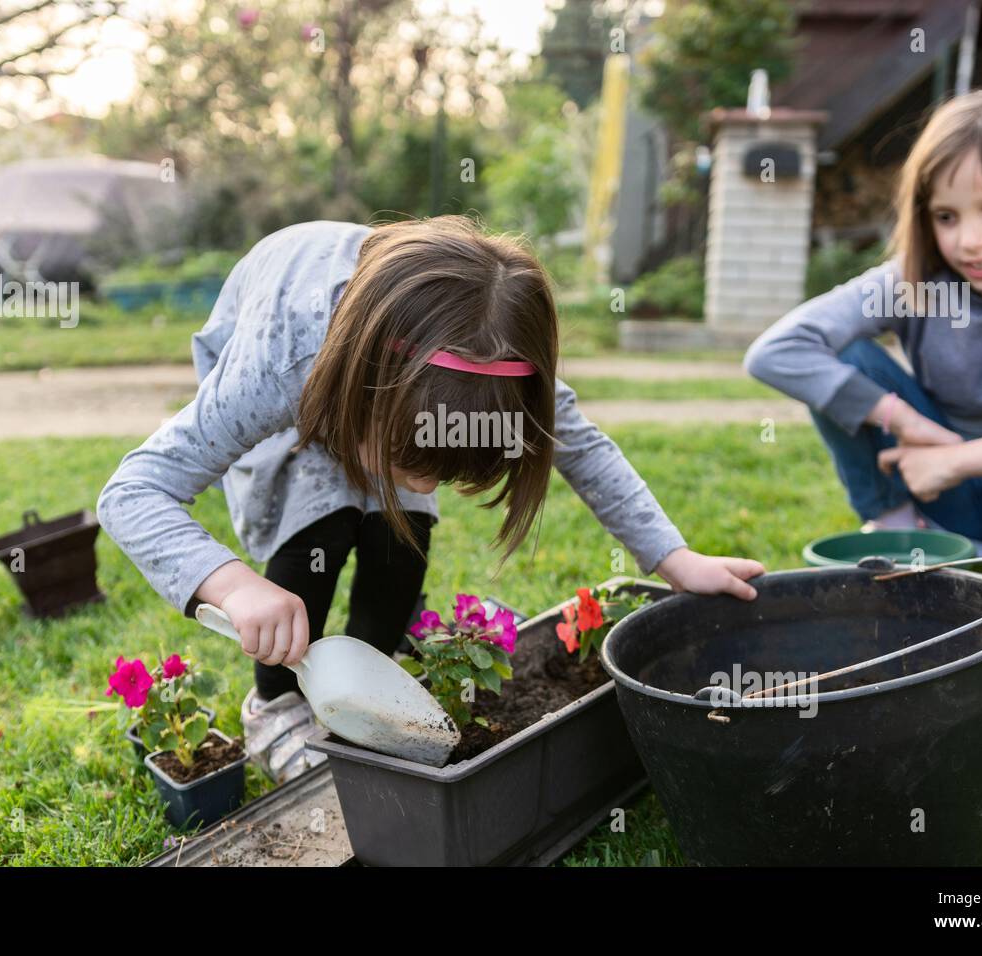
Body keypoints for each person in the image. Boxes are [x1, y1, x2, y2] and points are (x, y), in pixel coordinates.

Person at [99, 214, 766, 781]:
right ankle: (275, 706)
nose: (423, 486)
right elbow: (133, 492)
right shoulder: (280, 361)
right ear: (368, 396)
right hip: (294, 381)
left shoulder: (490, 347)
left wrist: (673, 557)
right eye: (408, 460)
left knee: (400, 538)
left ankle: (364, 689)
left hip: (366, 383)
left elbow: (583, 447)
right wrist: (234, 586)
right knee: (315, 537)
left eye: (440, 472)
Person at [744, 86, 982, 628]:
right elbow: (774, 351)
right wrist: (904, 420)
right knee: (841, 356)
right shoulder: (911, 280)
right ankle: (901, 536)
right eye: (947, 216)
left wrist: (957, 459)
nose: (970, 240)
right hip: (937, 499)